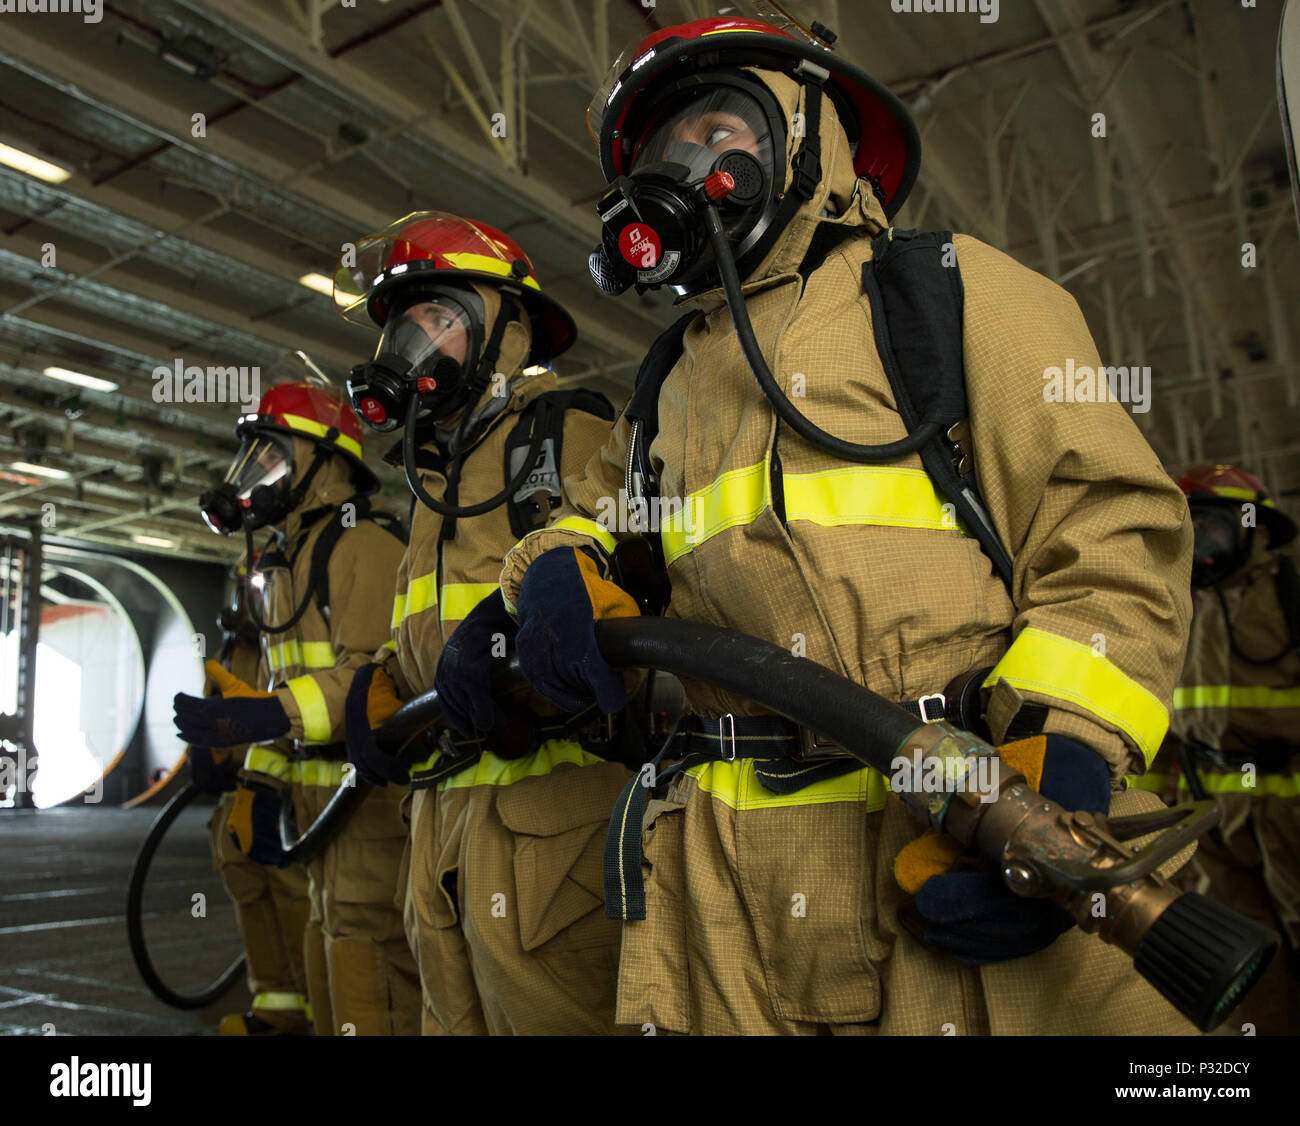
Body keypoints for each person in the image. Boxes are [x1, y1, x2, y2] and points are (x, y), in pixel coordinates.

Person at [439, 14, 1198, 1035]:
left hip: (949, 826)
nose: (688, 165)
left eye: (720, 130)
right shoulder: (667, 383)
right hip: (724, 907)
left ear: (809, 137)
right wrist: (551, 573)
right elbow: (606, 527)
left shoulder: (946, 292)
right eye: (666, 151)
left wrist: (1062, 760)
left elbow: (1111, 531)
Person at [337, 211, 639, 1034]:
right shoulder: (431, 480)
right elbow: (426, 638)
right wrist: (384, 690)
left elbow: (628, 599)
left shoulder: (566, 429)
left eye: (439, 319)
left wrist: (511, 642)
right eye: (404, 324)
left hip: (550, 827)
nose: (413, 343)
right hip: (440, 828)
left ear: (505, 331)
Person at [173, 357, 416, 1035]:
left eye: (272, 456)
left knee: (370, 962)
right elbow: (292, 690)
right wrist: (258, 777)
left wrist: (258, 715)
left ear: (326, 465)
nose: (253, 474)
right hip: (318, 816)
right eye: (251, 456)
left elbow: (374, 683)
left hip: (365, 809)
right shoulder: (285, 562)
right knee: (327, 941)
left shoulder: (362, 546)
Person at [1133, 464, 1300, 1033]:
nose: (1203, 549)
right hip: (1219, 821)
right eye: (1192, 532)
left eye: (1217, 530)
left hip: (1290, 808)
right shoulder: (1177, 615)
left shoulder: (1288, 592)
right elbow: (1159, 732)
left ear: (1254, 527)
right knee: (1246, 960)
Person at [189, 562, 312, 1036]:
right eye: (241, 588)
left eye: (255, 587)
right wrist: (206, 753)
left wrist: (264, 780)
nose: (246, 599)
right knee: (244, 881)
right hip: (236, 796)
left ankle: (319, 1005)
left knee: (293, 893)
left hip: (284, 792)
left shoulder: (289, 632)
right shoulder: (232, 645)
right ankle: (276, 1004)